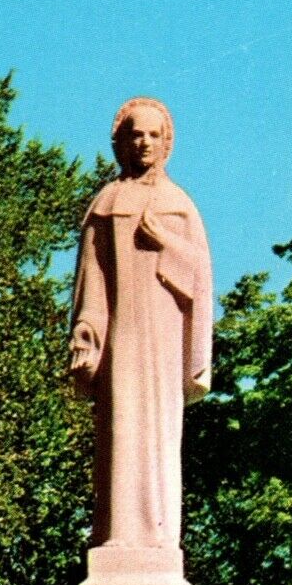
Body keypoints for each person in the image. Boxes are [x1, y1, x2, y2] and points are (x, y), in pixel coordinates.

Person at [69, 98, 213, 549]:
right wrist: (87, 334)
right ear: (121, 142)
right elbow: (91, 278)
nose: (144, 143)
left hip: (165, 338)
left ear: (167, 143)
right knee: (120, 428)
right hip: (122, 340)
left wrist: (164, 238)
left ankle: (158, 534)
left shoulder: (179, 204)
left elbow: (201, 277)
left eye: (154, 135)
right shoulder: (107, 203)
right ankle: (117, 534)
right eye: (136, 134)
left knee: (161, 432)